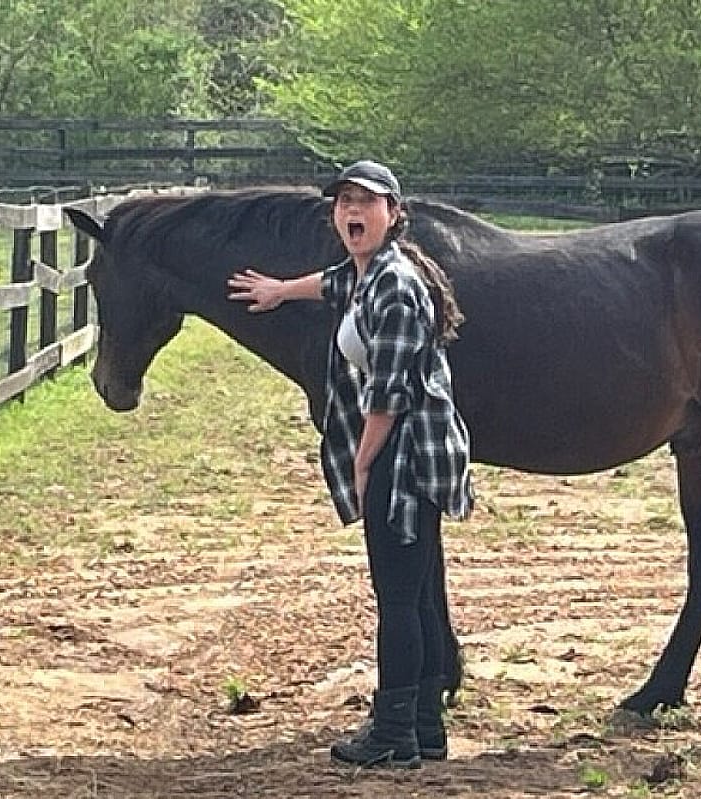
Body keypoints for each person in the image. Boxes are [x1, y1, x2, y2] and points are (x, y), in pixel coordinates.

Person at [227, 160, 473, 768]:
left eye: (366, 201)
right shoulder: (371, 272)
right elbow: (334, 282)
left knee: (399, 598)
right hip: (410, 449)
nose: (352, 211)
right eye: (343, 202)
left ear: (394, 213)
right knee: (415, 592)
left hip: (405, 453)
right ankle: (423, 728)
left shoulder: (395, 286)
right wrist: (280, 290)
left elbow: (388, 394)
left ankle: (393, 733)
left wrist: (364, 463)